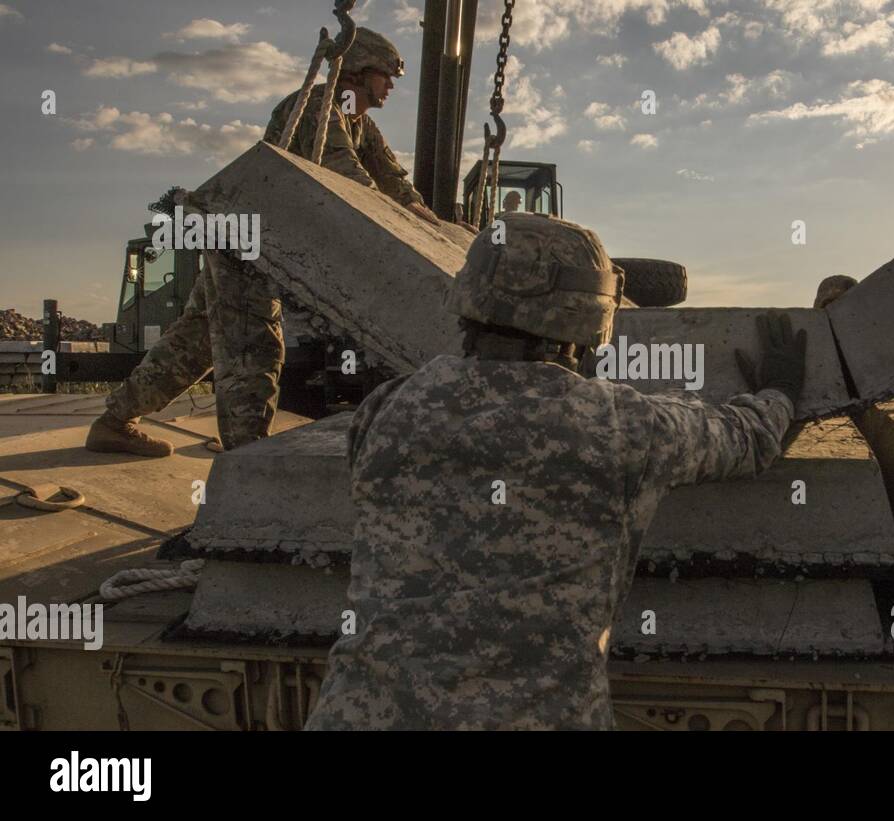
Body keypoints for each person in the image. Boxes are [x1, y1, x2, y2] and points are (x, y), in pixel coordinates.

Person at [306, 212, 807, 730]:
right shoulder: (620, 425)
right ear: (592, 319)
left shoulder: (386, 407)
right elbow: (748, 438)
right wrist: (780, 391)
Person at [86, 28, 432, 457]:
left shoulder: (359, 123)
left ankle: (114, 423)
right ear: (359, 71)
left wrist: (419, 213)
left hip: (253, 239)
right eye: (386, 75)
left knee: (196, 342)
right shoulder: (318, 108)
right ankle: (246, 454)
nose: (391, 86)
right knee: (254, 342)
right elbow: (346, 175)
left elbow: (391, 177)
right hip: (246, 240)